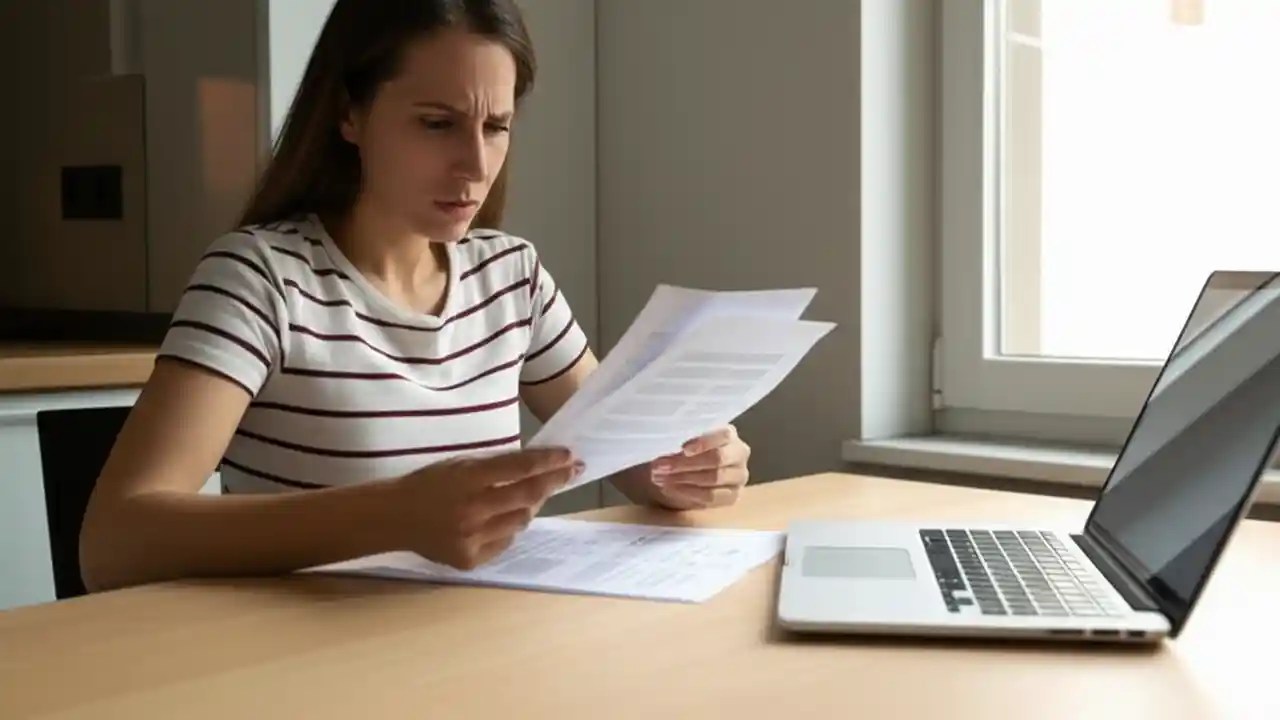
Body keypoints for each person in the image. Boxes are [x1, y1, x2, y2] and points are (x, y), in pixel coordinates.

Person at [79, 0, 752, 593]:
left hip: (478, 650)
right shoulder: (260, 278)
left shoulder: (510, 277)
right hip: (305, 672)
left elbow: (621, 454)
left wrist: (681, 469)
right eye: (437, 124)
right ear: (349, 112)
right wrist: (393, 516)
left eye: (496, 127)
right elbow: (114, 543)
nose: (477, 165)